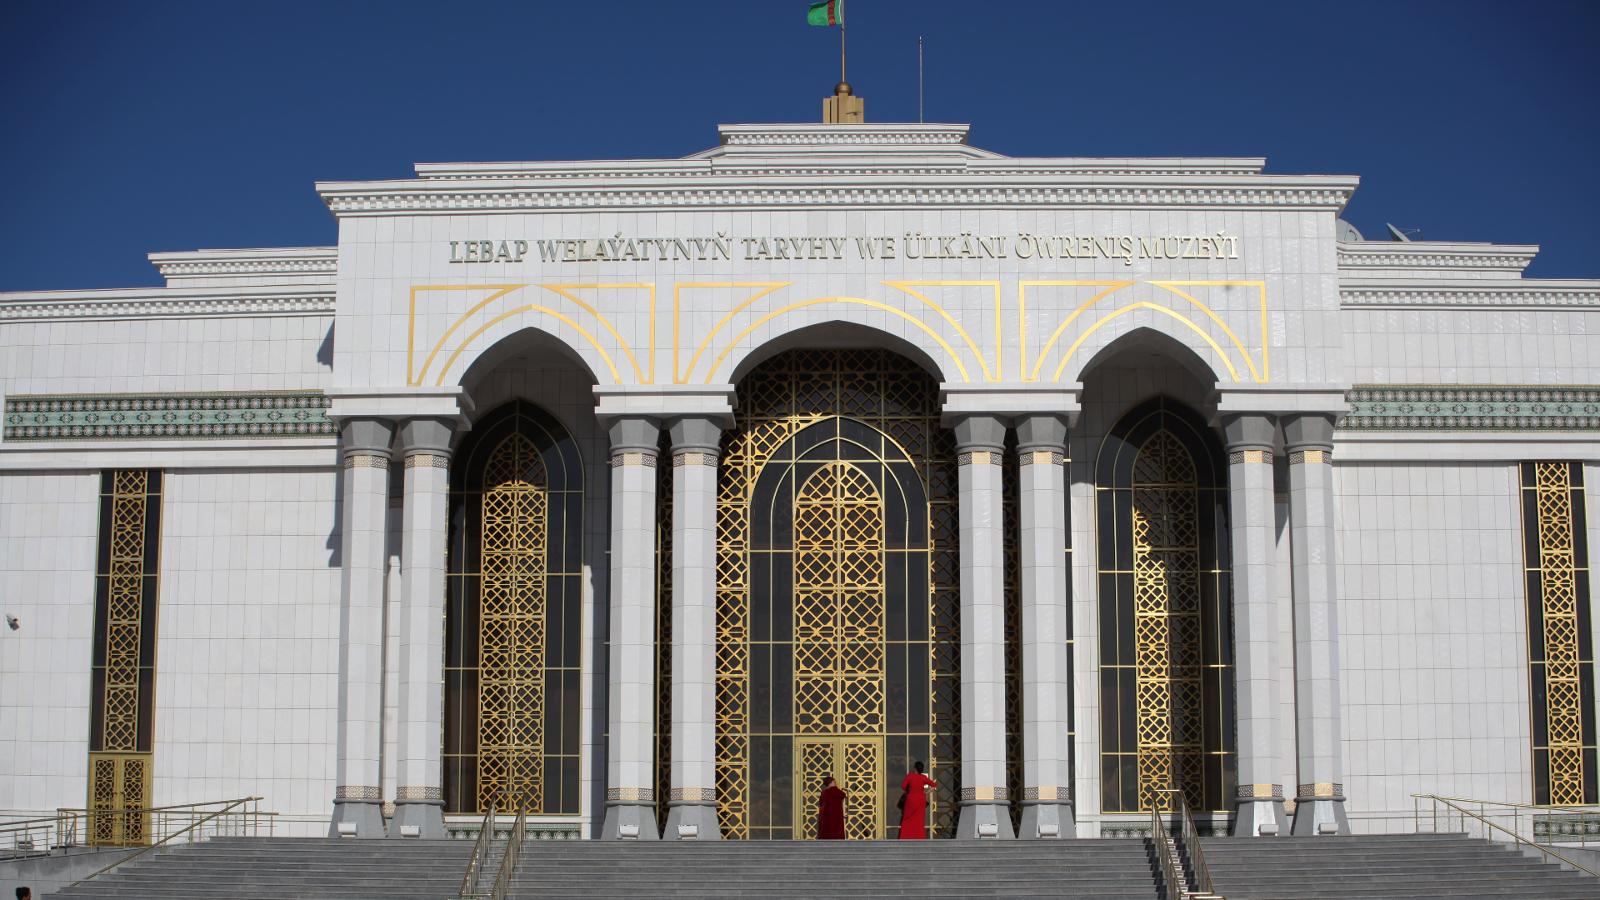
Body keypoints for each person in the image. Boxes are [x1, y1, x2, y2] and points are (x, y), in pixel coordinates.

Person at [898, 760, 936, 839]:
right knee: (919, 820)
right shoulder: (923, 777)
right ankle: (919, 837)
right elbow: (934, 785)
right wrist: (926, 792)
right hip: (921, 799)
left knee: (907, 818)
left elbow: (903, 786)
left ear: (915, 768)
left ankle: (905, 837)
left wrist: (909, 788)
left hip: (911, 799)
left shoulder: (910, 776)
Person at [817, 775, 846, 839]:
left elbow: (820, 802)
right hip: (835, 814)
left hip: (825, 814)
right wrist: (836, 788)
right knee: (835, 830)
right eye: (834, 782)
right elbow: (843, 795)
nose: (835, 783)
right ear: (831, 782)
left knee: (826, 830)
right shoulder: (835, 790)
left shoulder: (824, 792)